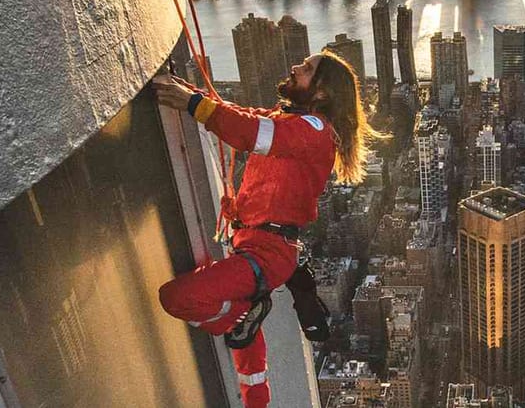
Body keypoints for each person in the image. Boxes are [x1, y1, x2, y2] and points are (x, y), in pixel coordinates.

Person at [153, 50, 381, 408]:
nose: (295, 67)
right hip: (252, 243)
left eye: (306, 69)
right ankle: (252, 375)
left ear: (322, 92)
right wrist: (189, 92)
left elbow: (252, 132)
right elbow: (241, 116)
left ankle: (239, 315)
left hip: (267, 253)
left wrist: (194, 104)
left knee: (177, 298)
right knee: (247, 357)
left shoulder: (314, 129)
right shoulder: (291, 119)